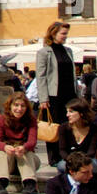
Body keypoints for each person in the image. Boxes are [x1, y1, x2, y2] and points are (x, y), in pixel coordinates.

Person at [35, 21, 77, 164]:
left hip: (69, 94)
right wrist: (43, 98)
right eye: (63, 33)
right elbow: (40, 76)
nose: (65, 36)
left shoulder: (69, 51)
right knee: (53, 126)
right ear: (54, 33)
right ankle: (54, 157)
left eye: (66, 33)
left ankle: (67, 154)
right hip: (53, 96)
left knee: (69, 125)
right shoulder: (44, 52)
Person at [55, 97, 97, 188]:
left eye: (71, 112)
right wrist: (72, 161)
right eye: (67, 111)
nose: (67, 115)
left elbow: (92, 151)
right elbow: (62, 150)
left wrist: (81, 162)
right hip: (70, 160)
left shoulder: (94, 128)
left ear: (81, 113)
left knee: (95, 165)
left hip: (88, 159)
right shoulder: (63, 128)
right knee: (61, 165)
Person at [0, 93, 40, 194]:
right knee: (2, 154)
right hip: (8, 161)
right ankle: (0, 183)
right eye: (16, 105)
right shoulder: (1, 120)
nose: (19, 109)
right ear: (10, 106)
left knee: (26, 154)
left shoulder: (31, 120)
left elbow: (32, 141)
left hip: (26, 160)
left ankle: (30, 183)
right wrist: (5, 147)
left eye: (23, 106)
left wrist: (24, 147)